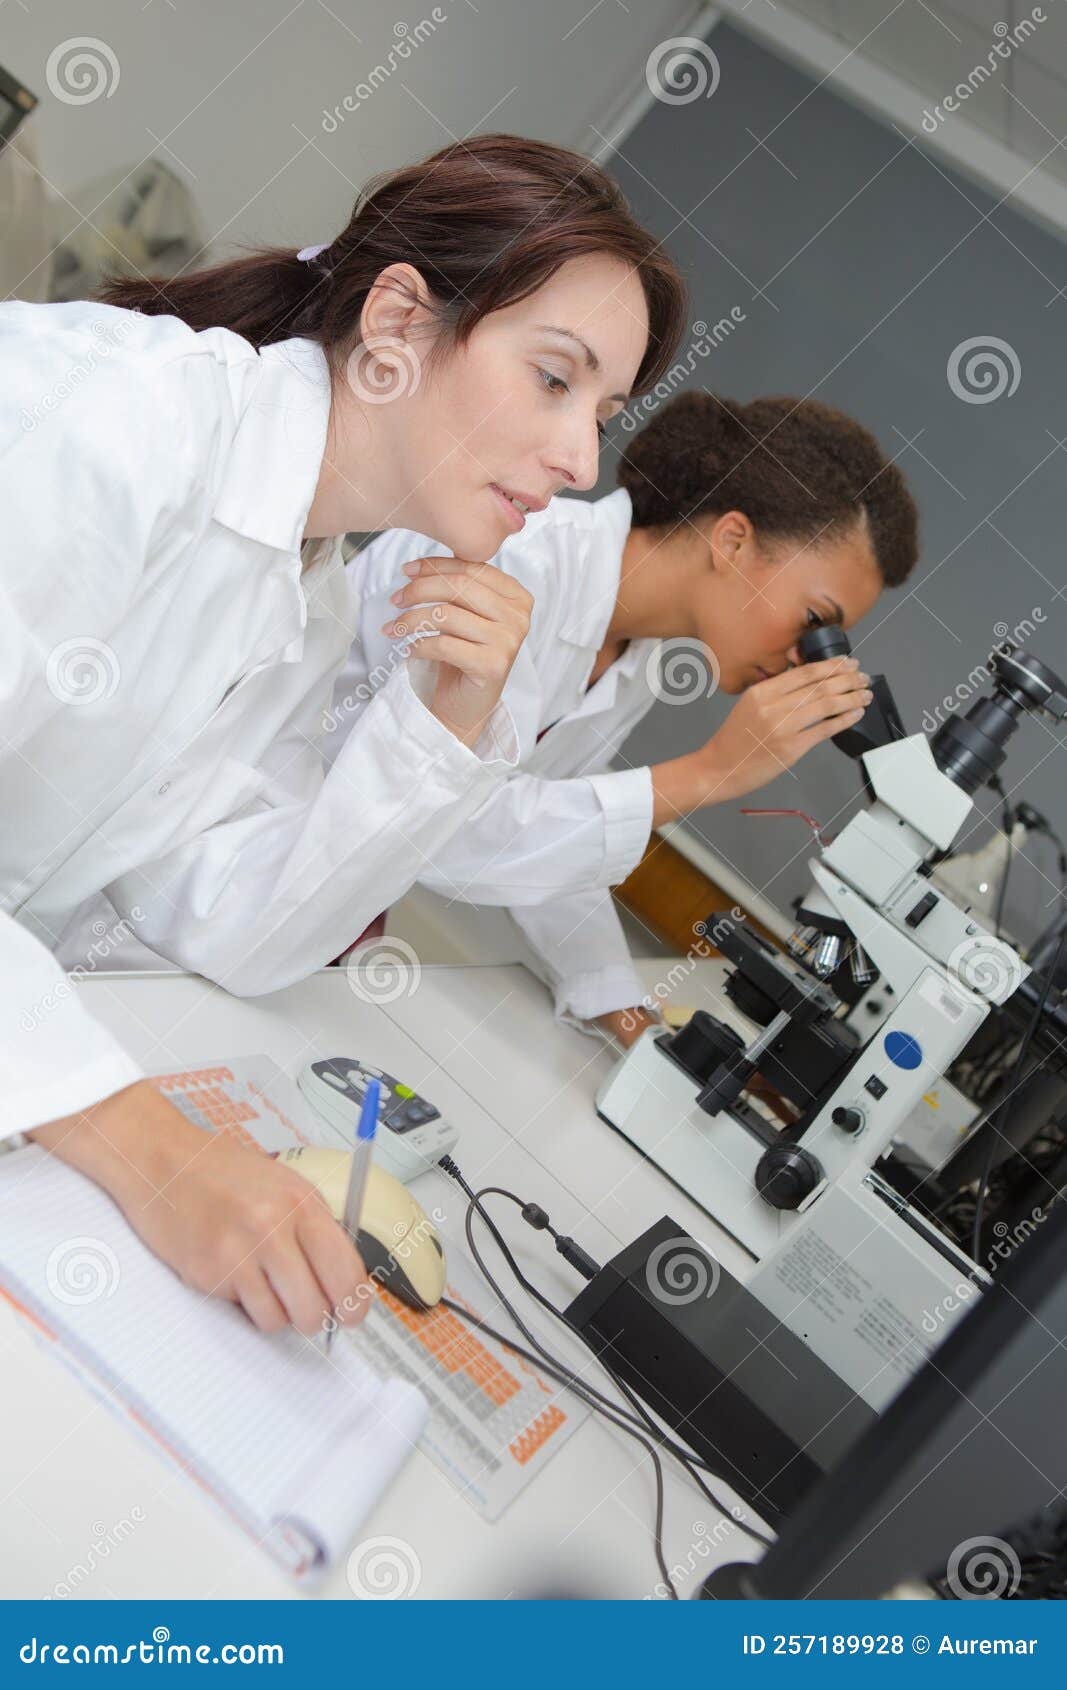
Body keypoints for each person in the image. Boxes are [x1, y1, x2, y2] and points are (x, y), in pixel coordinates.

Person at [0, 134, 687, 1334]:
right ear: (397, 323)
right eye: (552, 379)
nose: (581, 459)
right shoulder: (118, 419)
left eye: (604, 413)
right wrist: (146, 1145)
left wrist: (444, 724)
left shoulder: (307, 590)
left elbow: (232, 925)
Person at [327, 390, 918, 1043]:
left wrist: (622, 1011)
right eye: (813, 623)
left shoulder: (636, 650)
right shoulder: (516, 562)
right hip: (235, 859)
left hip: (324, 903)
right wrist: (710, 772)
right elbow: (435, 829)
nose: (801, 659)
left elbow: (550, 827)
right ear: (732, 541)